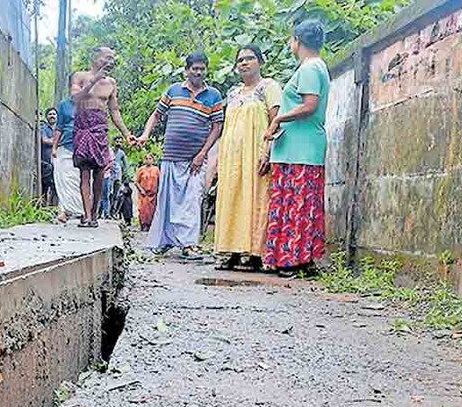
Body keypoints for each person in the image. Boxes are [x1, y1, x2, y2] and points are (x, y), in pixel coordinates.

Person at [137, 52, 223, 259]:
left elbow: (216, 127)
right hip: (171, 155)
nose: (199, 72)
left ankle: (188, 245)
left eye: (202, 69)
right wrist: (145, 135)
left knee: (192, 201)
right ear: (186, 70)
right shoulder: (174, 91)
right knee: (168, 201)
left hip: (195, 159)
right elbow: (156, 115)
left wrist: (202, 154)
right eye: (195, 68)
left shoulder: (213, 95)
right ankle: (164, 241)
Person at [263, 21, 330, 277]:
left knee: (296, 204)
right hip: (298, 148)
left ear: (297, 41)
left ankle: (291, 260)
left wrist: (278, 119)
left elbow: (309, 105)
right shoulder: (314, 67)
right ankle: (300, 258)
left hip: (299, 149)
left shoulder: (311, 68)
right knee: (301, 204)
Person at [213, 45, 281, 271]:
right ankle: (231, 251)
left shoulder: (268, 87)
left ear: (260, 62)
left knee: (256, 199)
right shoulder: (233, 93)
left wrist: (268, 150)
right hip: (232, 157)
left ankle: (254, 254)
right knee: (232, 199)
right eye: (240, 60)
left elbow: (276, 120)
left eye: (250, 58)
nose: (244, 63)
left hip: (256, 154)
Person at [71, 47, 137, 228]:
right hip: (82, 126)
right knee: (84, 171)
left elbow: (114, 111)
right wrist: (93, 80)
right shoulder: (79, 76)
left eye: (113, 59)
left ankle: (94, 213)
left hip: (100, 128)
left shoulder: (112, 83)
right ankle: (86, 214)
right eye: (107, 58)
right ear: (94, 58)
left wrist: (126, 133)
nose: (111, 62)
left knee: (100, 172)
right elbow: (75, 98)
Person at [52, 76, 83, 223]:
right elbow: (59, 128)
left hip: (82, 148)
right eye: (73, 88)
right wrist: (54, 147)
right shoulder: (64, 105)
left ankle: (81, 211)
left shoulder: (87, 105)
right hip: (65, 147)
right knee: (62, 179)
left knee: (77, 180)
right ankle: (63, 211)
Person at [104, 136, 129, 219]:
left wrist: (126, 176)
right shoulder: (109, 151)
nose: (118, 143)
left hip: (118, 175)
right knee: (108, 194)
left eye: (120, 142)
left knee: (116, 195)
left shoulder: (121, 153)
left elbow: (125, 166)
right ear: (113, 142)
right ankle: (105, 212)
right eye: (117, 141)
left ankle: (113, 212)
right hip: (109, 174)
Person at [133, 154, 160, 230]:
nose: (148, 160)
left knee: (152, 210)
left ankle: (151, 226)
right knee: (143, 210)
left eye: (150, 158)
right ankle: (144, 225)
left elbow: (159, 181)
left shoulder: (156, 170)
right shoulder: (141, 169)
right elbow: (136, 182)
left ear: (152, 160)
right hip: (143, 194)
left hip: (153, 195)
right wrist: (141, 190)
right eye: (147, 158)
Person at [40, 108, 58, 206]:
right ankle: (43, 208)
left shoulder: (59, 129)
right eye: (50, 114)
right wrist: (57, 141)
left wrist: (53, 140)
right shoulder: (43, 128)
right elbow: (44, 140)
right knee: (44, 186)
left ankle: (53, 208)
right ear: (46, 116)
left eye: (54, 114)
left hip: (57, 162)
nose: (52, 116)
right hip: (45, 162)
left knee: (56, 187)